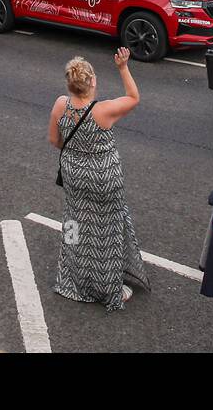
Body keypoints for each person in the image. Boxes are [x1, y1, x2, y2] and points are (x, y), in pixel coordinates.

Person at [46, 50, 149, 310]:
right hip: (104, 178)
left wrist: (76, 153)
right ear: (92, 82)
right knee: (106, 232)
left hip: (73, 177)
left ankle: (72, 279)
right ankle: (109, 287)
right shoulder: (102, 111)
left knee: (74, 226)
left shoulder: (61, 105)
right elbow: (134, 98)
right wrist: (123, 67)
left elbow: (54, 140)